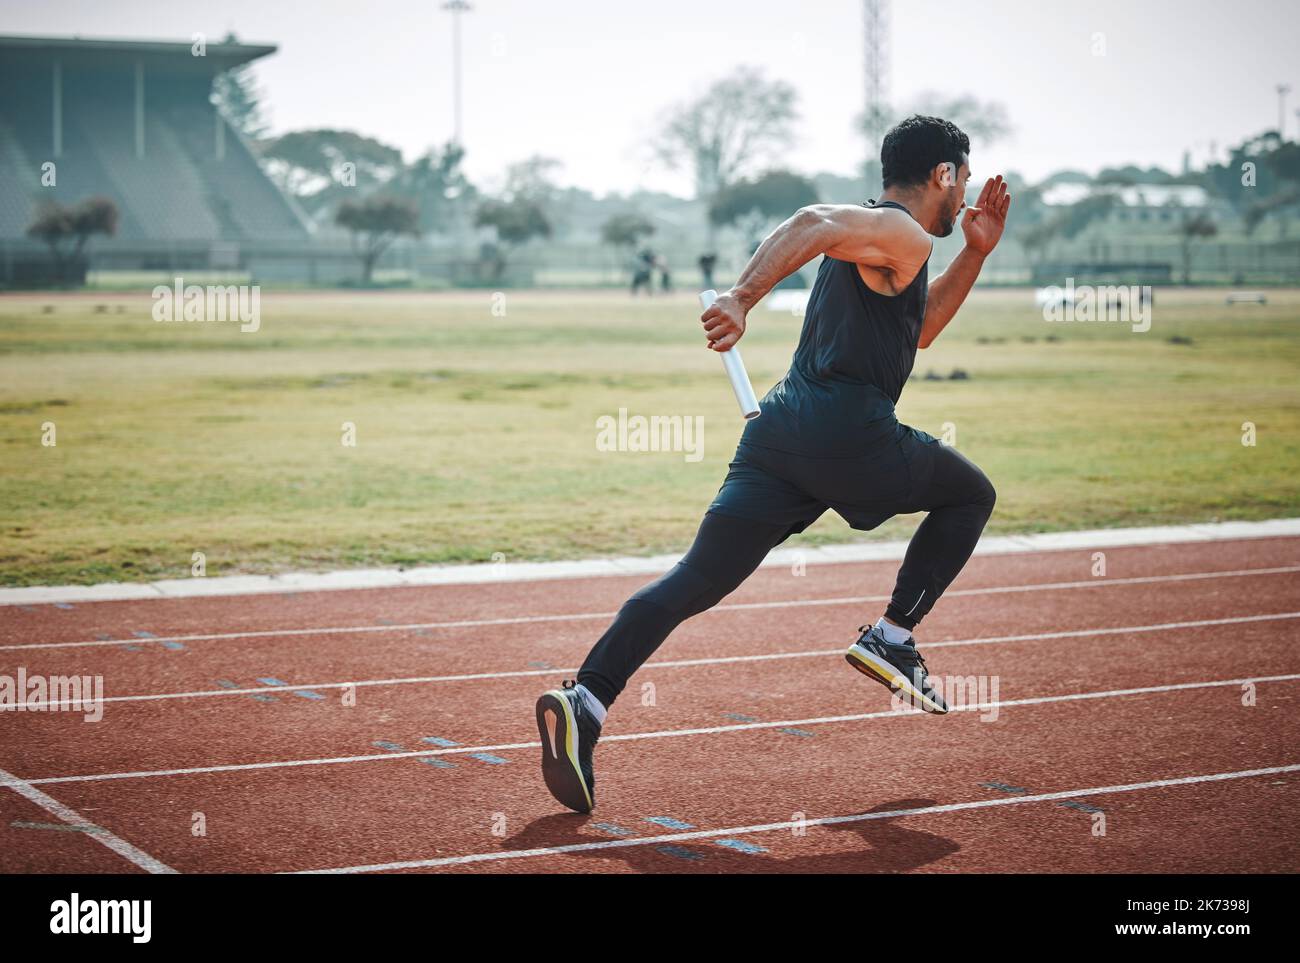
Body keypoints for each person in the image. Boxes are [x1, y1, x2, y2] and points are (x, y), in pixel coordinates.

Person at [536, 115, 1012, 814]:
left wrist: (975, 252)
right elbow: (812, 216)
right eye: (963, 178)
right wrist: (740, 297)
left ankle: (586, 701)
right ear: (942, 174)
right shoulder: (900, 231)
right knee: (971, 494)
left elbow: (923, 332)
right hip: (847, 432)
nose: (966, 192)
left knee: (695, 578)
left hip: (778, 432)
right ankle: (893, 637)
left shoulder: (889, 246)